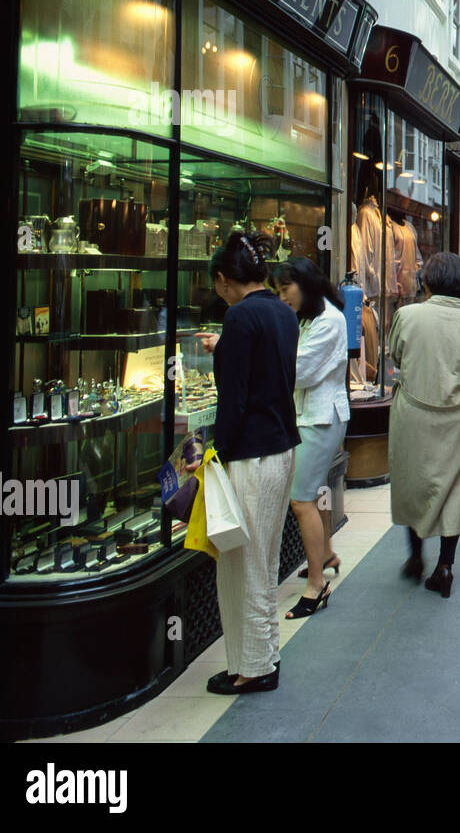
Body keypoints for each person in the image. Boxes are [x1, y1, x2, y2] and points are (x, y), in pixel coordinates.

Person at [194, 232, 299, 695]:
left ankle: (254, 667)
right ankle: (257, 657)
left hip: (251, 454)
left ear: (223, 279)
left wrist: (216, 452)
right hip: (280, 446)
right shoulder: (282, 311)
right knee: (262, 557)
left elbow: (232, 399)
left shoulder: (238, 317)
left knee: (244, 564)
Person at [387, 252, 460, 598]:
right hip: (458, 415)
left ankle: (415, 557)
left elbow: (396, 358)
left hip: (413, 412)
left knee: (412, 480)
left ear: (427, 282)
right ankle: (445, 565)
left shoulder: (407, 315)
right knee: (453, 485)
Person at [269, 257, 349, 618]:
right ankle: (327, 554)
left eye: (286, 289)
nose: (281, 296)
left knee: (301, 501)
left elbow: (299, 372)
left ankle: (316, 585)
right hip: (311, 415)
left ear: (305, 285)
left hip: (320, 418)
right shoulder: (309, 317)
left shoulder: (328, 321)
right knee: (315, 493)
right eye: (277, 291)